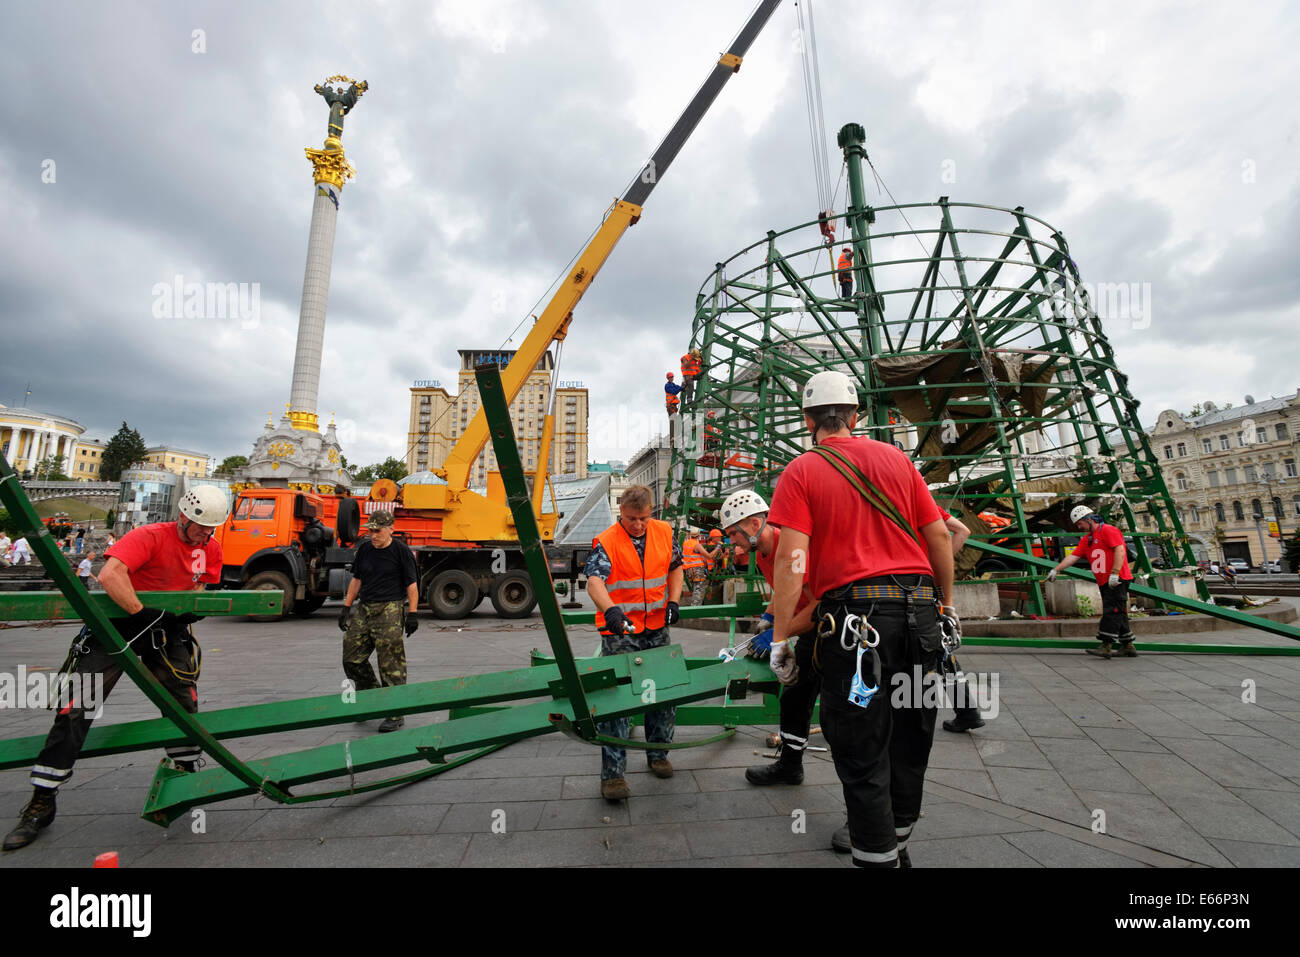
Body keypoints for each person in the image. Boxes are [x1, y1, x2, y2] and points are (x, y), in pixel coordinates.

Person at [767, 370, 954, 868]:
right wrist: (947, 606)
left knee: (862, 749)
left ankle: (878, 857)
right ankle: (898, 841)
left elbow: (793, 561)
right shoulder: (896, 459)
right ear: (857, 416)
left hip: (855, 630)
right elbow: (938, 537)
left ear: (808, 420)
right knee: (913, 738)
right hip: (921, 622)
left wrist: (781, 636)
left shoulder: (802, 471)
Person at [2, 486, 229, 852]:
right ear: (185, 517)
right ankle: (41, 801)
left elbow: (205, 584)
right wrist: (142, 613)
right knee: (77, 707)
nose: (207, 533)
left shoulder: (211, 547)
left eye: (212, 528)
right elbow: (111, 575)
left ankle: (184, 777)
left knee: (182, 703)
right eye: (202, 526)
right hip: (119, 624)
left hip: (167, 627)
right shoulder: (150, 536)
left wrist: (192, 608)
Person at [583, 484, 684, 801]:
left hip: (656, 626)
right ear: (621, 513)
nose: (638, 525)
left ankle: (658, 753)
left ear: (651, 512)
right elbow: (594, 581)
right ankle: (613, 777)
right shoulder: (607, 541)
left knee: (663, 694)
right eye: (630, 518)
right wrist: (610, 609)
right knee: (618, 703)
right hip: (621, 630)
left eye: (643, 518)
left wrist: (674, 601)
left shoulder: (665, 532)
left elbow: (676, 566)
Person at [719, 490, 820, 789]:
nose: (731, 542)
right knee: (795, 696)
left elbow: (820, 604)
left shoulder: (793, 548)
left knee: (844, 710)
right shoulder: (763, 552)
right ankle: (790, 766)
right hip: (809, 627)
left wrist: (780, 634)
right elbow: (784, 588)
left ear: (753, 524)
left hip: (831, 626)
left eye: (733, 534)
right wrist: (769, 617)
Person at [339, 509, 419, 733]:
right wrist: (346, 607)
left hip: (390, 609)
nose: (373, 535)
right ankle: (373, 697)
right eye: (371, 531)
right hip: (364, 608)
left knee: (390, 664)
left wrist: (412, 614)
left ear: (390, 529)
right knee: (351, 659)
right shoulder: (365, 549)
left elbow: (412, 586)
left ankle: (395, 713)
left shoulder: (401, 552)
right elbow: (356, 579)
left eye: (378, 531)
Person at [1045, 505, 1135, 658]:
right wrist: (1057, 569)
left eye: (1080, 523)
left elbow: (1120, 550)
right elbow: (1073, 556)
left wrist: (1115, 573)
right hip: (1105, 581)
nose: (1079, 527)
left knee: (1112, 611)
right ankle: (1128, 645)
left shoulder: (1108, 530)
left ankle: (1106, 645)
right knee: (1118, 611)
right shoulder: (1087, 539)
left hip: (1116, 579)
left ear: (1089, 519)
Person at [934, 508, 984, 734]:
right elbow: (962, 531)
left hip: (902, 586)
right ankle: (967, 711)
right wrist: (938, 563)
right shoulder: (922, 502)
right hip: (930, 589)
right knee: (942, 654)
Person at [681, 528, 710, 606]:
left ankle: (694, 606)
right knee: (698, 589)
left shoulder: (685, 543)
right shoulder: (697, 545)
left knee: (695, 588)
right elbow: (708, 556)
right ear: (698, 535)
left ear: (690, 534)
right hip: (697, 569)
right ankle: (695, 608)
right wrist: (718, 547)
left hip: (688, 569)